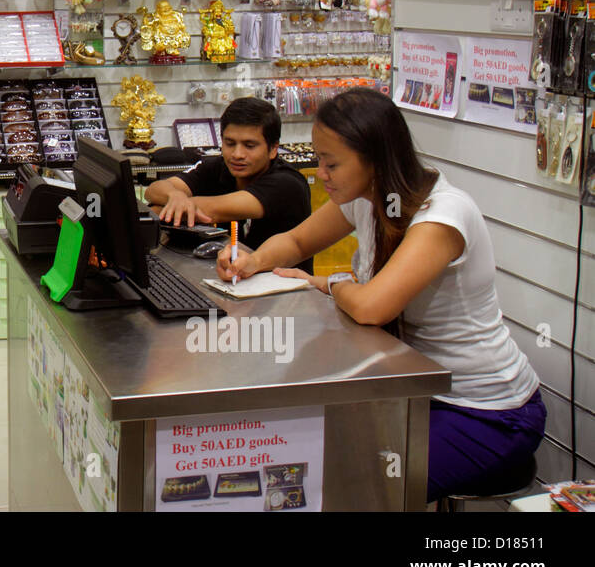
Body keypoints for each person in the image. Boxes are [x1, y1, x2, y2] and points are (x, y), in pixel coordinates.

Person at [217, 87, 545, 503]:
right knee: (298, 458)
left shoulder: (442, 216)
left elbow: (372, 307)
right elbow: (298, 243)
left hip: (488, 415)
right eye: (319, 160)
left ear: (375, 160)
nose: (322, 174)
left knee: (349, 486)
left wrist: (335, 283)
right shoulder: (366, 198)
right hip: (415, 395)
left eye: (331, 163)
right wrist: (251, 260)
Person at [144, 97, 312, 272]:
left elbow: (211, 211)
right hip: (235, 276)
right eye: (230, 143)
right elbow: (154, 190)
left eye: (249, 146)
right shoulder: (217, 166)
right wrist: (175, 195)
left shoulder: (287, 184)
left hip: (282, 290)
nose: (237, 154)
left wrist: (174, 204)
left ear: (273, 149)